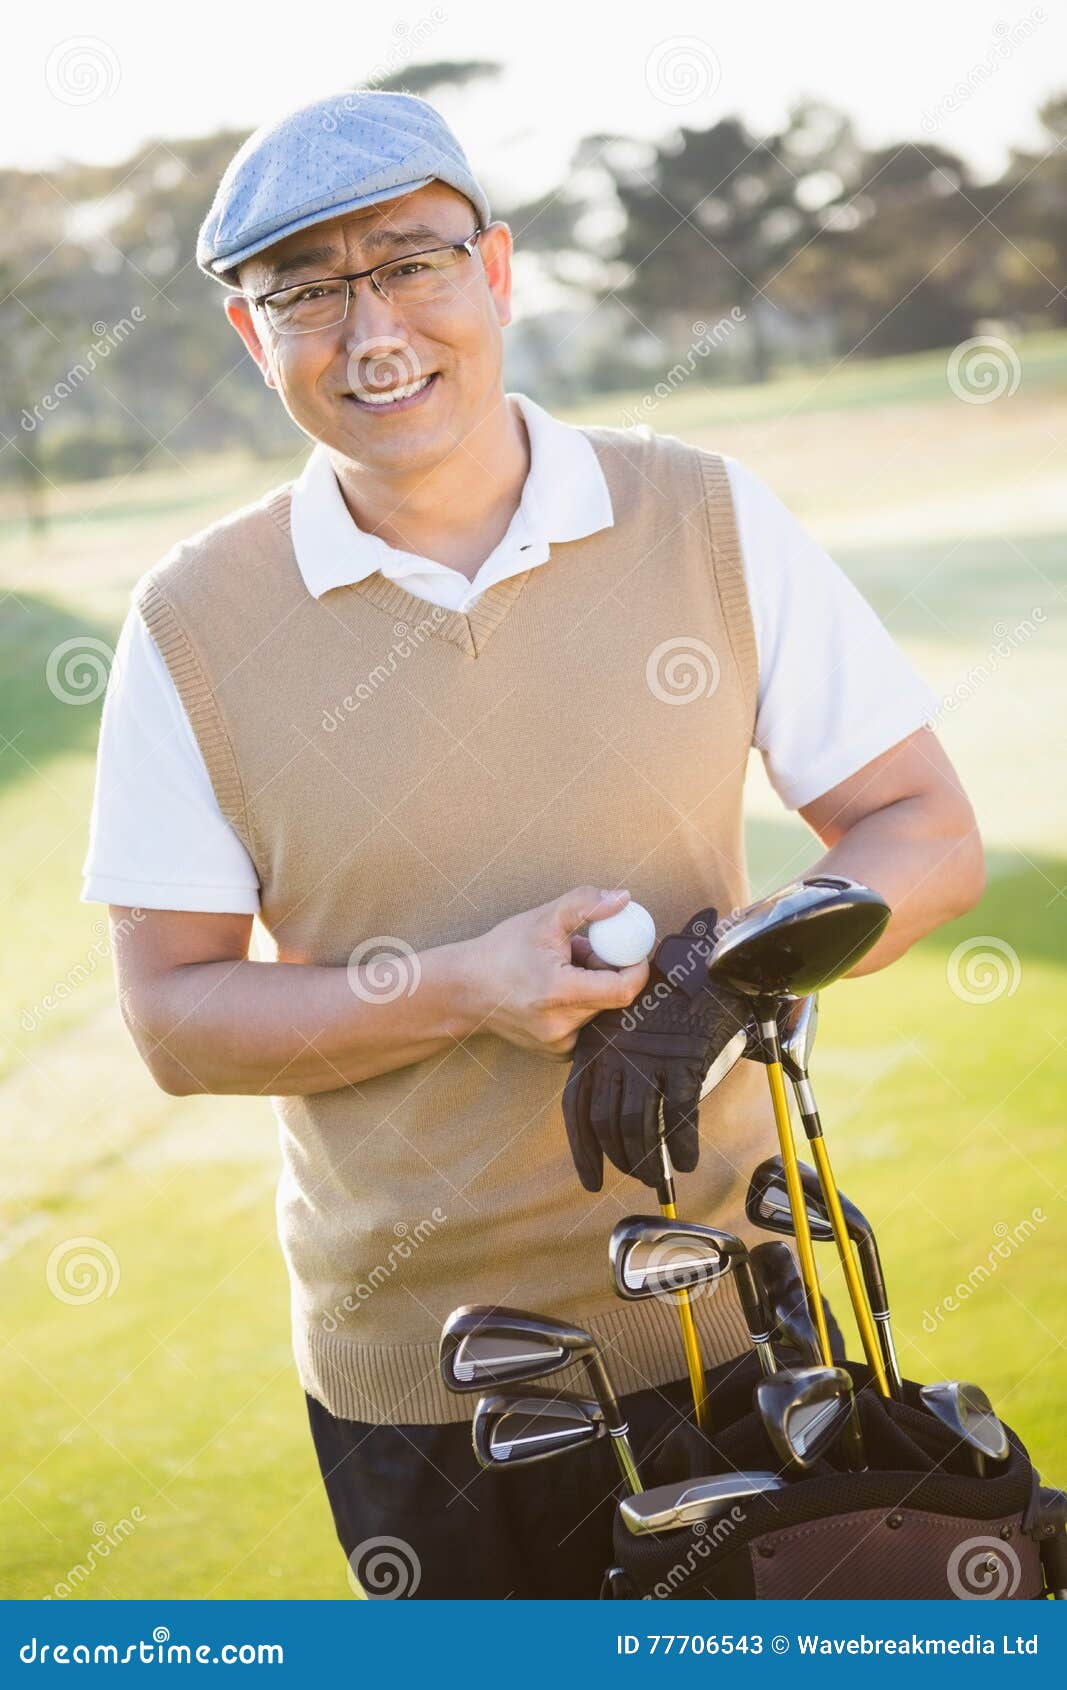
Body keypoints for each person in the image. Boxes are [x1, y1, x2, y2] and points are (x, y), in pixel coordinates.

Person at [81, 89, 984, 1599]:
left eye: (410, 264)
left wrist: (721, 972)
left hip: (744, 1322)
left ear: (495, 272)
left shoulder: (702, 513)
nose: (371, 331)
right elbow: (173, 1014)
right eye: (304, 289)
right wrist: (465, 986)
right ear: (257, 339)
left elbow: (925, 831)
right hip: (423, 1396)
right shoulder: (189, 623)